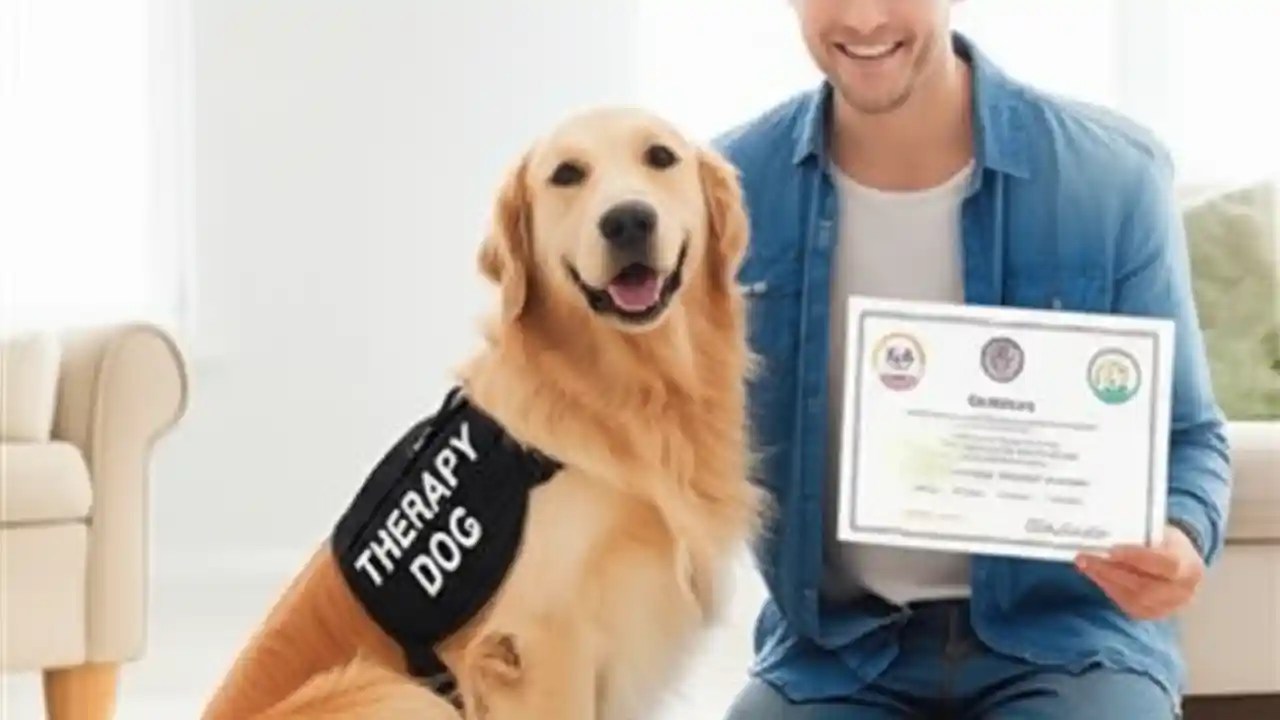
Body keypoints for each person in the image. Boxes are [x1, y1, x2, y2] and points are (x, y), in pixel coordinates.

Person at [713, 1, 1233, 718]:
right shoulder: (726, 191)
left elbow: (1191, 435)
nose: (864, 18)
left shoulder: (1110, 177)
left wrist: (1180, 536)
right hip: (837, 654)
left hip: (1068, 639)